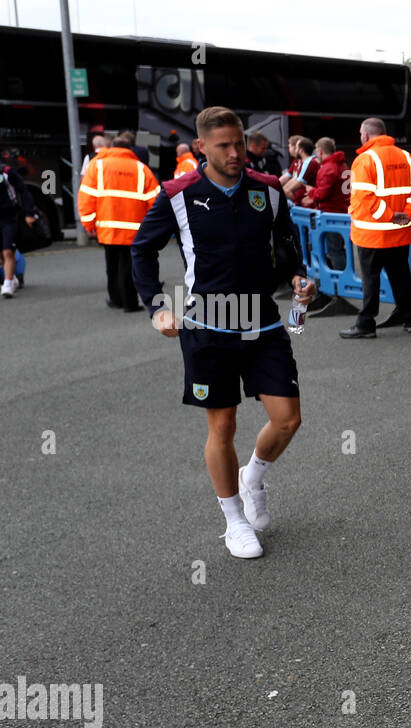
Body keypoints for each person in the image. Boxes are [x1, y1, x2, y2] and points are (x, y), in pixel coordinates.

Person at [131, 105, 317, 560]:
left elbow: (287, 245)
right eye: (224, 146)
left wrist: (299, 279)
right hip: (207, 324)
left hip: (264, 322)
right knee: (224, 424)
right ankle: (234, 521)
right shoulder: (177, 193)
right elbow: (142, 250)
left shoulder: (269, 190)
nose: (236, 153)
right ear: (201, 148)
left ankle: (252, 478)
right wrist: (157, 307)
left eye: (239, 143)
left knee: (288, 418)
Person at [340, 117, 411, 338]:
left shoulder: (364, 160)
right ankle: (410, 318)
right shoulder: (407, 157)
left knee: (371, 278)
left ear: (366, 135)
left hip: (371, 234)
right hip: (399, 233)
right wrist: (406, 215)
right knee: (400, 275)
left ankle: (366, 324)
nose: (360, 137)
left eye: (361, 133)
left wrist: (389, 217)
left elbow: (365, 198)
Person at [77, 136, 160, 312]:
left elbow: (85, 198)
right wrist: (152, 228)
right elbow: (155, 202)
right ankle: (130, 303)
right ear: (130, 149)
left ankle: (115, 299)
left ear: (112, 147)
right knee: (128, 267)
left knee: (111, 265)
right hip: (133, 229)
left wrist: (88, 224)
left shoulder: (98, 166)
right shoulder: (141, 169)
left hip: (107, 227)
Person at [301, 137, 350, 271]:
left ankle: (340, 284)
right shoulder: (343, 165)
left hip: (331, 215)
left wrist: (311, 192)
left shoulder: (328, 168)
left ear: (320, 151)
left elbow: (322, 194)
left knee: (335, 251)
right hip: (344, 212)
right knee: (341, 249)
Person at [1, 163, 40, 298]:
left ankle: (7, 285)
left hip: (9, 217)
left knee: (8, 251)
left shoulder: (6, 172)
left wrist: (30, 213)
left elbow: (23, 190)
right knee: (1, 253)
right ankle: (13, 279)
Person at [280, 136, 319, 205]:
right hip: (305, 199)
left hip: (307, 201)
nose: (295, 150)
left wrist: (285, 191)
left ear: (301, 150)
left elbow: (299, 182)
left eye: (297, 148)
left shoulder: (309, 162)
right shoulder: (304, 162)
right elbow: (295, 179)